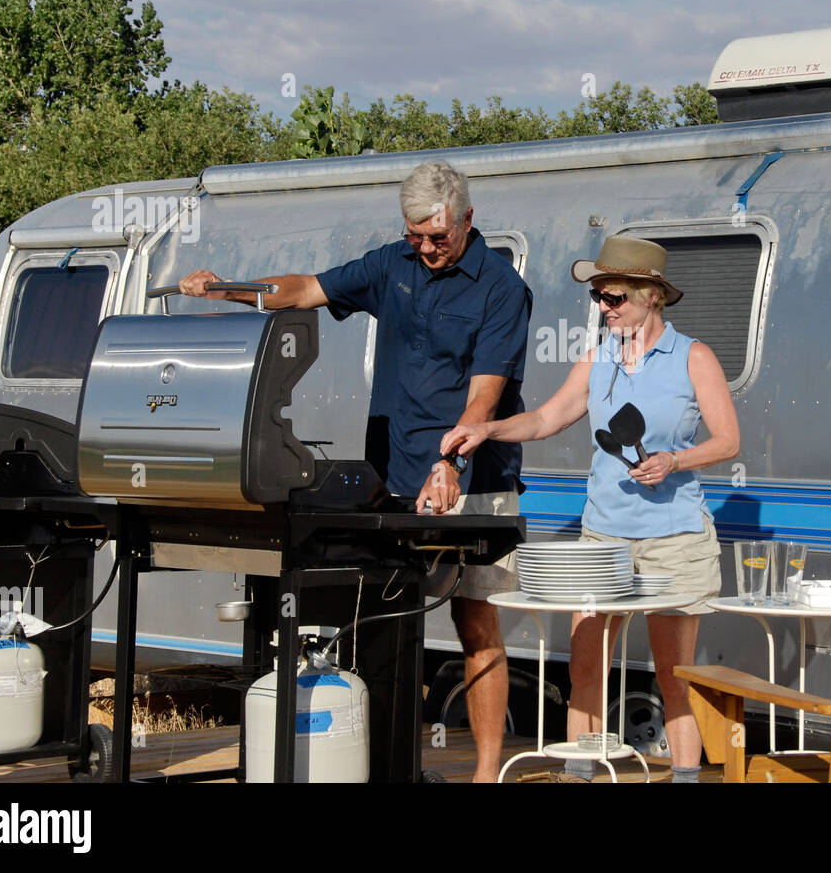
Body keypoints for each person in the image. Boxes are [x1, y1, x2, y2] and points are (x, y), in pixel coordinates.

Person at [178, 160, 532, 783]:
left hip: (474, 478)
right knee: (384, 614)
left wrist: (451, 460)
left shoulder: (501, 287)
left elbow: (486, 392)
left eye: (437, 238)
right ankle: (387, 762)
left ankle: (482, 773)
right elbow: (305, 289)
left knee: (473, 618)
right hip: (391, 472)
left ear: (469, 220)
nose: (424, 248)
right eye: (414, 236)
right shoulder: (389, 265)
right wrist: (226, 288)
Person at [441, 236, 739, 782]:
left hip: (674, 538)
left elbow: (728, 441)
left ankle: (686, 777)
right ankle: (578, 774)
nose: (604, 307)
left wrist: (674, 460)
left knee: (674, 675)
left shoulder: (694, 356)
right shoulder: (598, 358)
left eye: (615, 297)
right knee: (585, 669)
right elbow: (546, 419)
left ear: (652, 295)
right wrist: (487, 428)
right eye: (599, 296)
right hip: (602, 541)